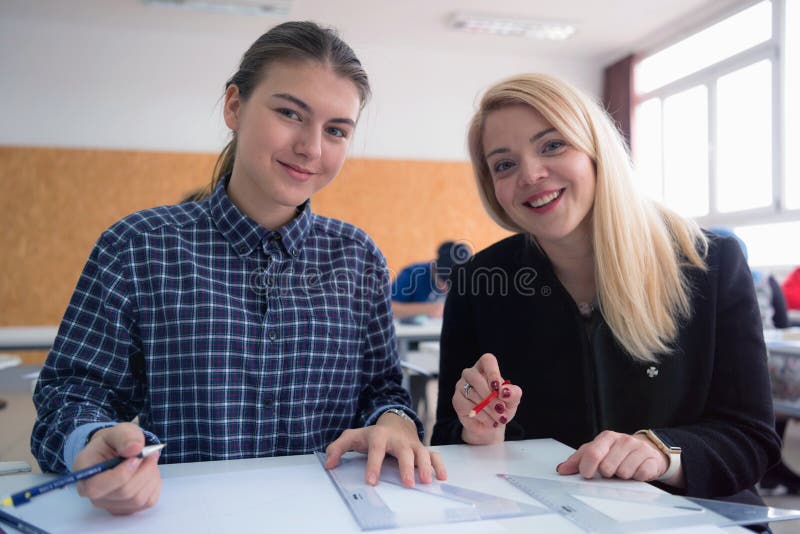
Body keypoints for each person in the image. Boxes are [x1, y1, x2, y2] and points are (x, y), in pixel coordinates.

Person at [32, 21, 444, 516]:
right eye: (290, 113)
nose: (312, 147)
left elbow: (381, 390)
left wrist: (396, 419)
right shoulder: (138, 247)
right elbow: (71, 395)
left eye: (336, 130)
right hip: (184, 520)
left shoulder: (357, 257)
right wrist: (93, 442)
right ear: (234, 107)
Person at [432, 73, 780, 517]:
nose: (531, 175)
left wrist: (662, 454)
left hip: (695, 519)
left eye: (552, 145)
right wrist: (477, 436)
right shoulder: (477, 281)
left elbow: (750, 438)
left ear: (597, 150)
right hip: (543, 521)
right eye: (504, 164)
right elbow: (447, 436)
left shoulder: (709, 264)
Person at [390, 241, 471, 320]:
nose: (447, 289)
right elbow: (387, 308)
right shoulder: (413, 274)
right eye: (444, 282)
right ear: (435, 268)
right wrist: (427, 309)